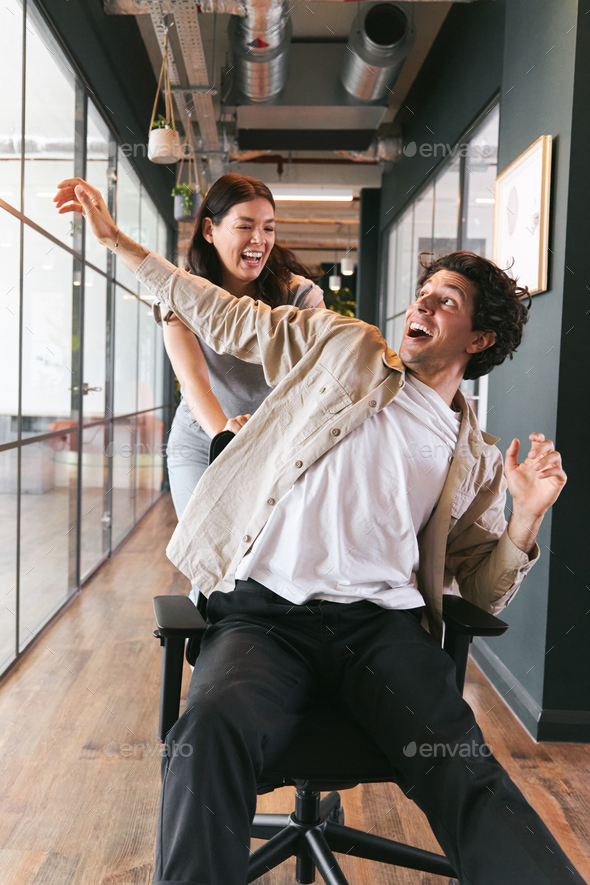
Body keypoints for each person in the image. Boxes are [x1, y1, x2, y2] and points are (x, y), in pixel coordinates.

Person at [53, 178, 584, 885]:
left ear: (479, 338)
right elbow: (222, 315)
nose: (421, 302)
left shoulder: (479, 459)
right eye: (423, 291)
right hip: (266, 614)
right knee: (208, 728)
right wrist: (120, 244)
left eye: (445, 300)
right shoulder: (343, 344)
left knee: (465, 769)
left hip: (382, 630)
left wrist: (525, 516)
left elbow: (478, 593)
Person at [153, 174, 325, 606]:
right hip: (202, 438)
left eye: (268, 227)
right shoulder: (178, 296)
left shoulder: (299, 296)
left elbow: (314, 379)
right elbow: (194, 384)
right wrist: (228, 438)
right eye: (245, 225)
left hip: (274, 442)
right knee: (212, 553)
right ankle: (207, 653)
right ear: (210, 230)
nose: (259, 238)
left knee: (265, 560)